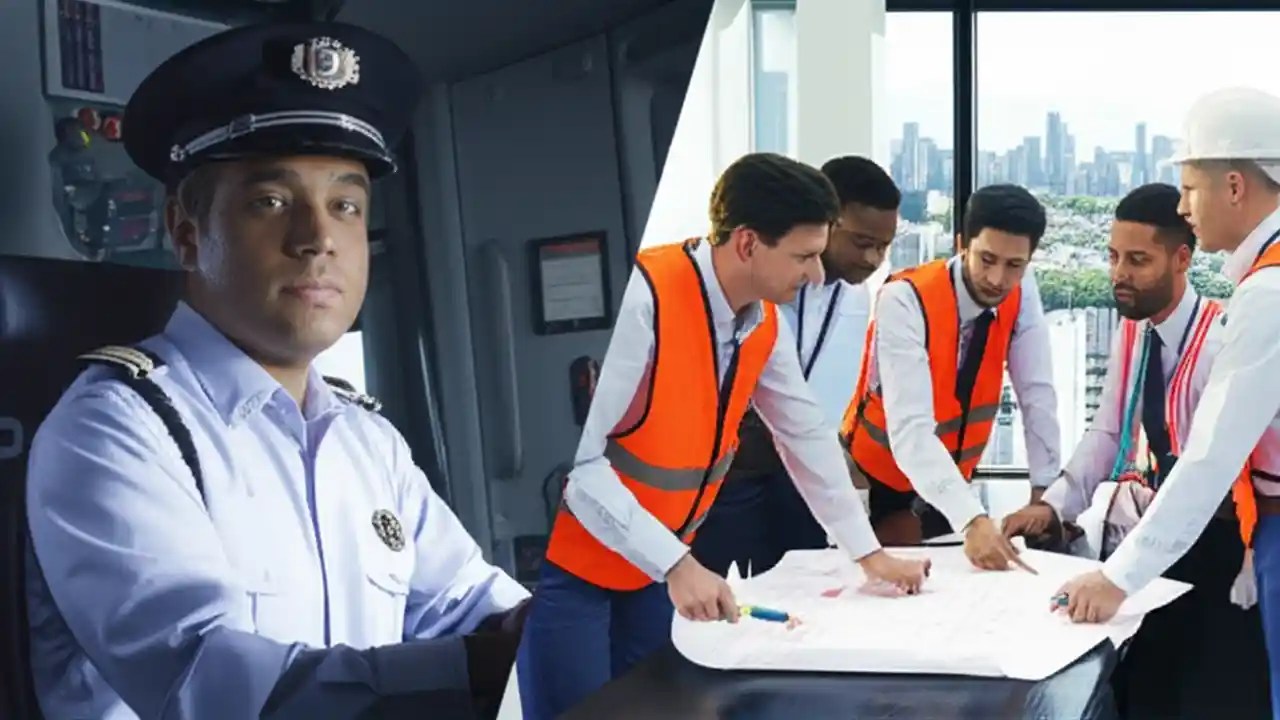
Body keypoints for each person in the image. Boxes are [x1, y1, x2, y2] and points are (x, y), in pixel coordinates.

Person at [24, 22, 530, 720]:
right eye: (271, 202)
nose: (318, 238)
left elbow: (471, 603)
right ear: (187, 232)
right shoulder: (112, 430)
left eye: (345, 205)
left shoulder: (366, 441)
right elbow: (206, 683)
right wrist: (473, 667)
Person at [516, 152, 932, 720]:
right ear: (746, 244)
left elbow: (805, 434)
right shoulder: (643, 301)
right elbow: (581, 465)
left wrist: (868, 554)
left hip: (648, 568)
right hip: (576, 569)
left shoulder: (762, 322)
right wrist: (678, 565)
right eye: (804, 256)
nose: (816, 274)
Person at [1051, 86, 1280, 718]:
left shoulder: (1266, 296)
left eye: (1191, 187)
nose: (1185, 205)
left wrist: (1117, 578)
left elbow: (1206, 459)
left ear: (1234, 186)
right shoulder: (1251, 287)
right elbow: (1108, 432)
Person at [1001, 183, 1269, 719]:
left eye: (1139, 260)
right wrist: (1054, 505)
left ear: (1182, 258)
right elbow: (1106, 434)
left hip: (1212, 548)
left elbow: (1208, 469)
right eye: (1114, 257)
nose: (1119, 273)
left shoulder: (1220, 340)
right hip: (1152, 541)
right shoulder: (1135, 334)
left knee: (1204, 697)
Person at [691, 155, 900, 578]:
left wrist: (869, 552)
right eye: (862, 242)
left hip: (793, 467)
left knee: (802, 591)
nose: (874, 259)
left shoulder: (854, 298)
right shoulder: (745, 283)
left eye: (883, 247)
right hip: (726, 471)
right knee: (705, 602)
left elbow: (805, 413)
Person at [840, 184, 1062, 568]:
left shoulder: (1021, 292)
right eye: (987, 259)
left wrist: (1045, 495)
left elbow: (1036, 394)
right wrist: (972, 519)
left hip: (949, 487)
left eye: (1015, 265)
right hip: (875, 482)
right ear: (962, 243)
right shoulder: (904, 299)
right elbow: (910, 430)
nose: (997, 278)